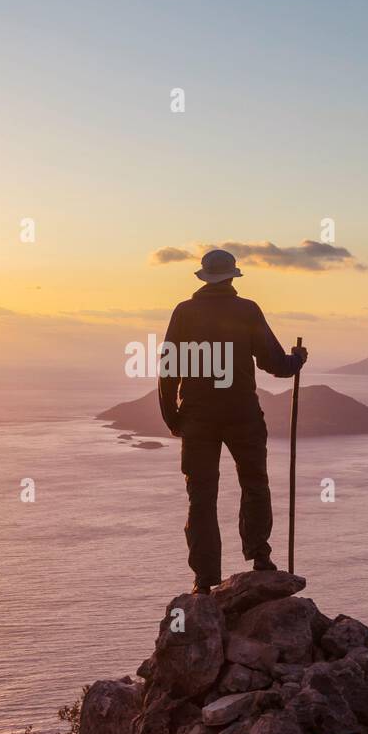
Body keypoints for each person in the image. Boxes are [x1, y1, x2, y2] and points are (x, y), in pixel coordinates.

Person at [158, 248, 307, 594]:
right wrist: (297, 359)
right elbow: (275, 364)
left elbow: (168, 369)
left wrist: (173, 417)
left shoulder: (184, 313)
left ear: (204, 276)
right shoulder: (247, 310)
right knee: (254, 483)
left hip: (197, 417)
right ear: (232, 277)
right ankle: (259, 557)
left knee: (201, 496)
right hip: (243, 414)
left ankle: (205, 578)